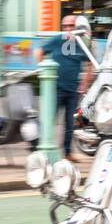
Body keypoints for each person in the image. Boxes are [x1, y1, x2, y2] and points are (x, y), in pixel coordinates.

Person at [36, 14, 93, 156]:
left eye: (71, 26)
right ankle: (42, 151)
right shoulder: (57, 39)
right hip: (55, 89)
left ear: (77, 27)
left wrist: (85, 83)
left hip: (73, 90)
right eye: (65, 26)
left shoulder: (81, 43)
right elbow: (39, 51)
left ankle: (67, 154)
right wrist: (43, 72)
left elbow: (90, 62)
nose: (68, 29)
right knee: (49, 121)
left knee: (69, 125)